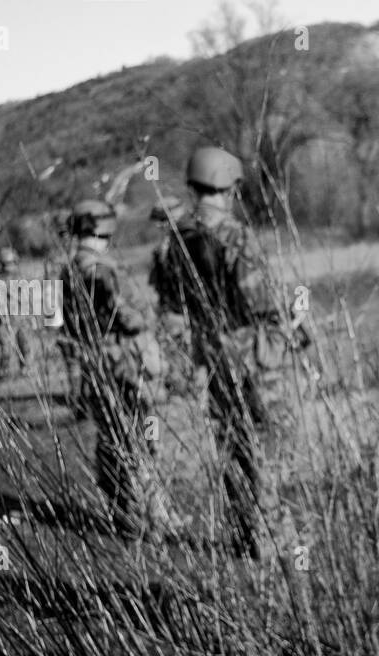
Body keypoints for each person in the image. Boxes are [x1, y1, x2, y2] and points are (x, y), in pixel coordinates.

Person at [152, 146, 280, 557]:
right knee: (262, 441)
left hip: (209, 353)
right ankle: (270, 535)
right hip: (247, 352)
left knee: (231, 443)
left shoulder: (177, 238)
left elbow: (170, 305)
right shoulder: (235, 235)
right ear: (228, 186)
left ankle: (245, 534)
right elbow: (256, 302)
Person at [61, 199, 176, 540]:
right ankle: (145, 516)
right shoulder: (98, 268)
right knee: (138, 435)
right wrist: (148, 321)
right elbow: (124, 314)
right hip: (121, 360)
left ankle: (128, 512)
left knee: (112, 435)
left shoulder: (71, 266)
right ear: (102, 226)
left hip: (96, 360)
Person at [147, 194, 197, 399]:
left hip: (184, 309)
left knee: (181, 348)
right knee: (174, 348)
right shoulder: (168, 243)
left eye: (162, 221)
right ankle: (181, 385)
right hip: (171, 307)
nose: (159, 226)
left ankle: (186, 386)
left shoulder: (187, 239)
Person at [0, 247, 34, 378]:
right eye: (6, 264)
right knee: (6, 349)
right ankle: (4, 372)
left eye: (11, 263)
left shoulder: (21, 279)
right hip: (5, 320)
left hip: (21, 319)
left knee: (25, 346)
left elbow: (28, 299)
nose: (9, 267)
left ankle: (26, 370)